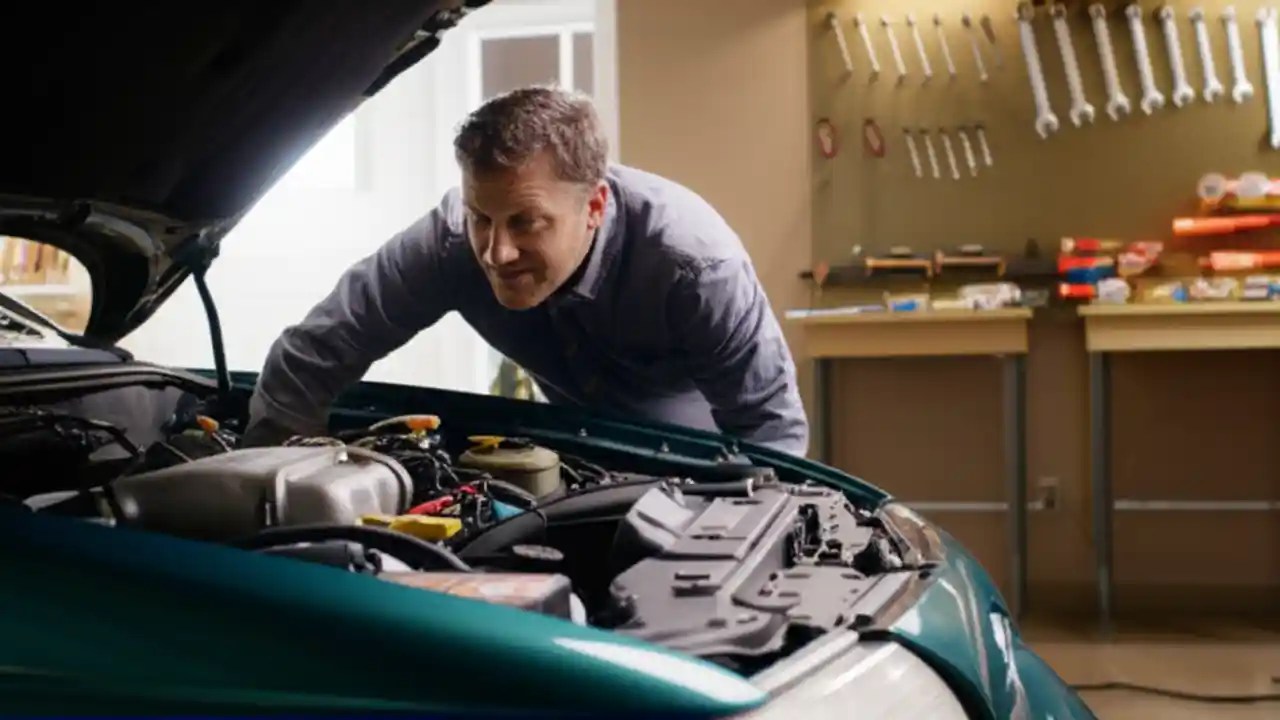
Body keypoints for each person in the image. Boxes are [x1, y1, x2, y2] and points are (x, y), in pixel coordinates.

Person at [243, 85, 809, 456]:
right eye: (480, 218)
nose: (496, 252)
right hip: (569, 450)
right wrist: (276, 484)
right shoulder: (447, 243)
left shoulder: (695, 267)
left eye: (526, 223)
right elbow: (313, 353)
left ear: (593, 208)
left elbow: (772, 433)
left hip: (693, 464)